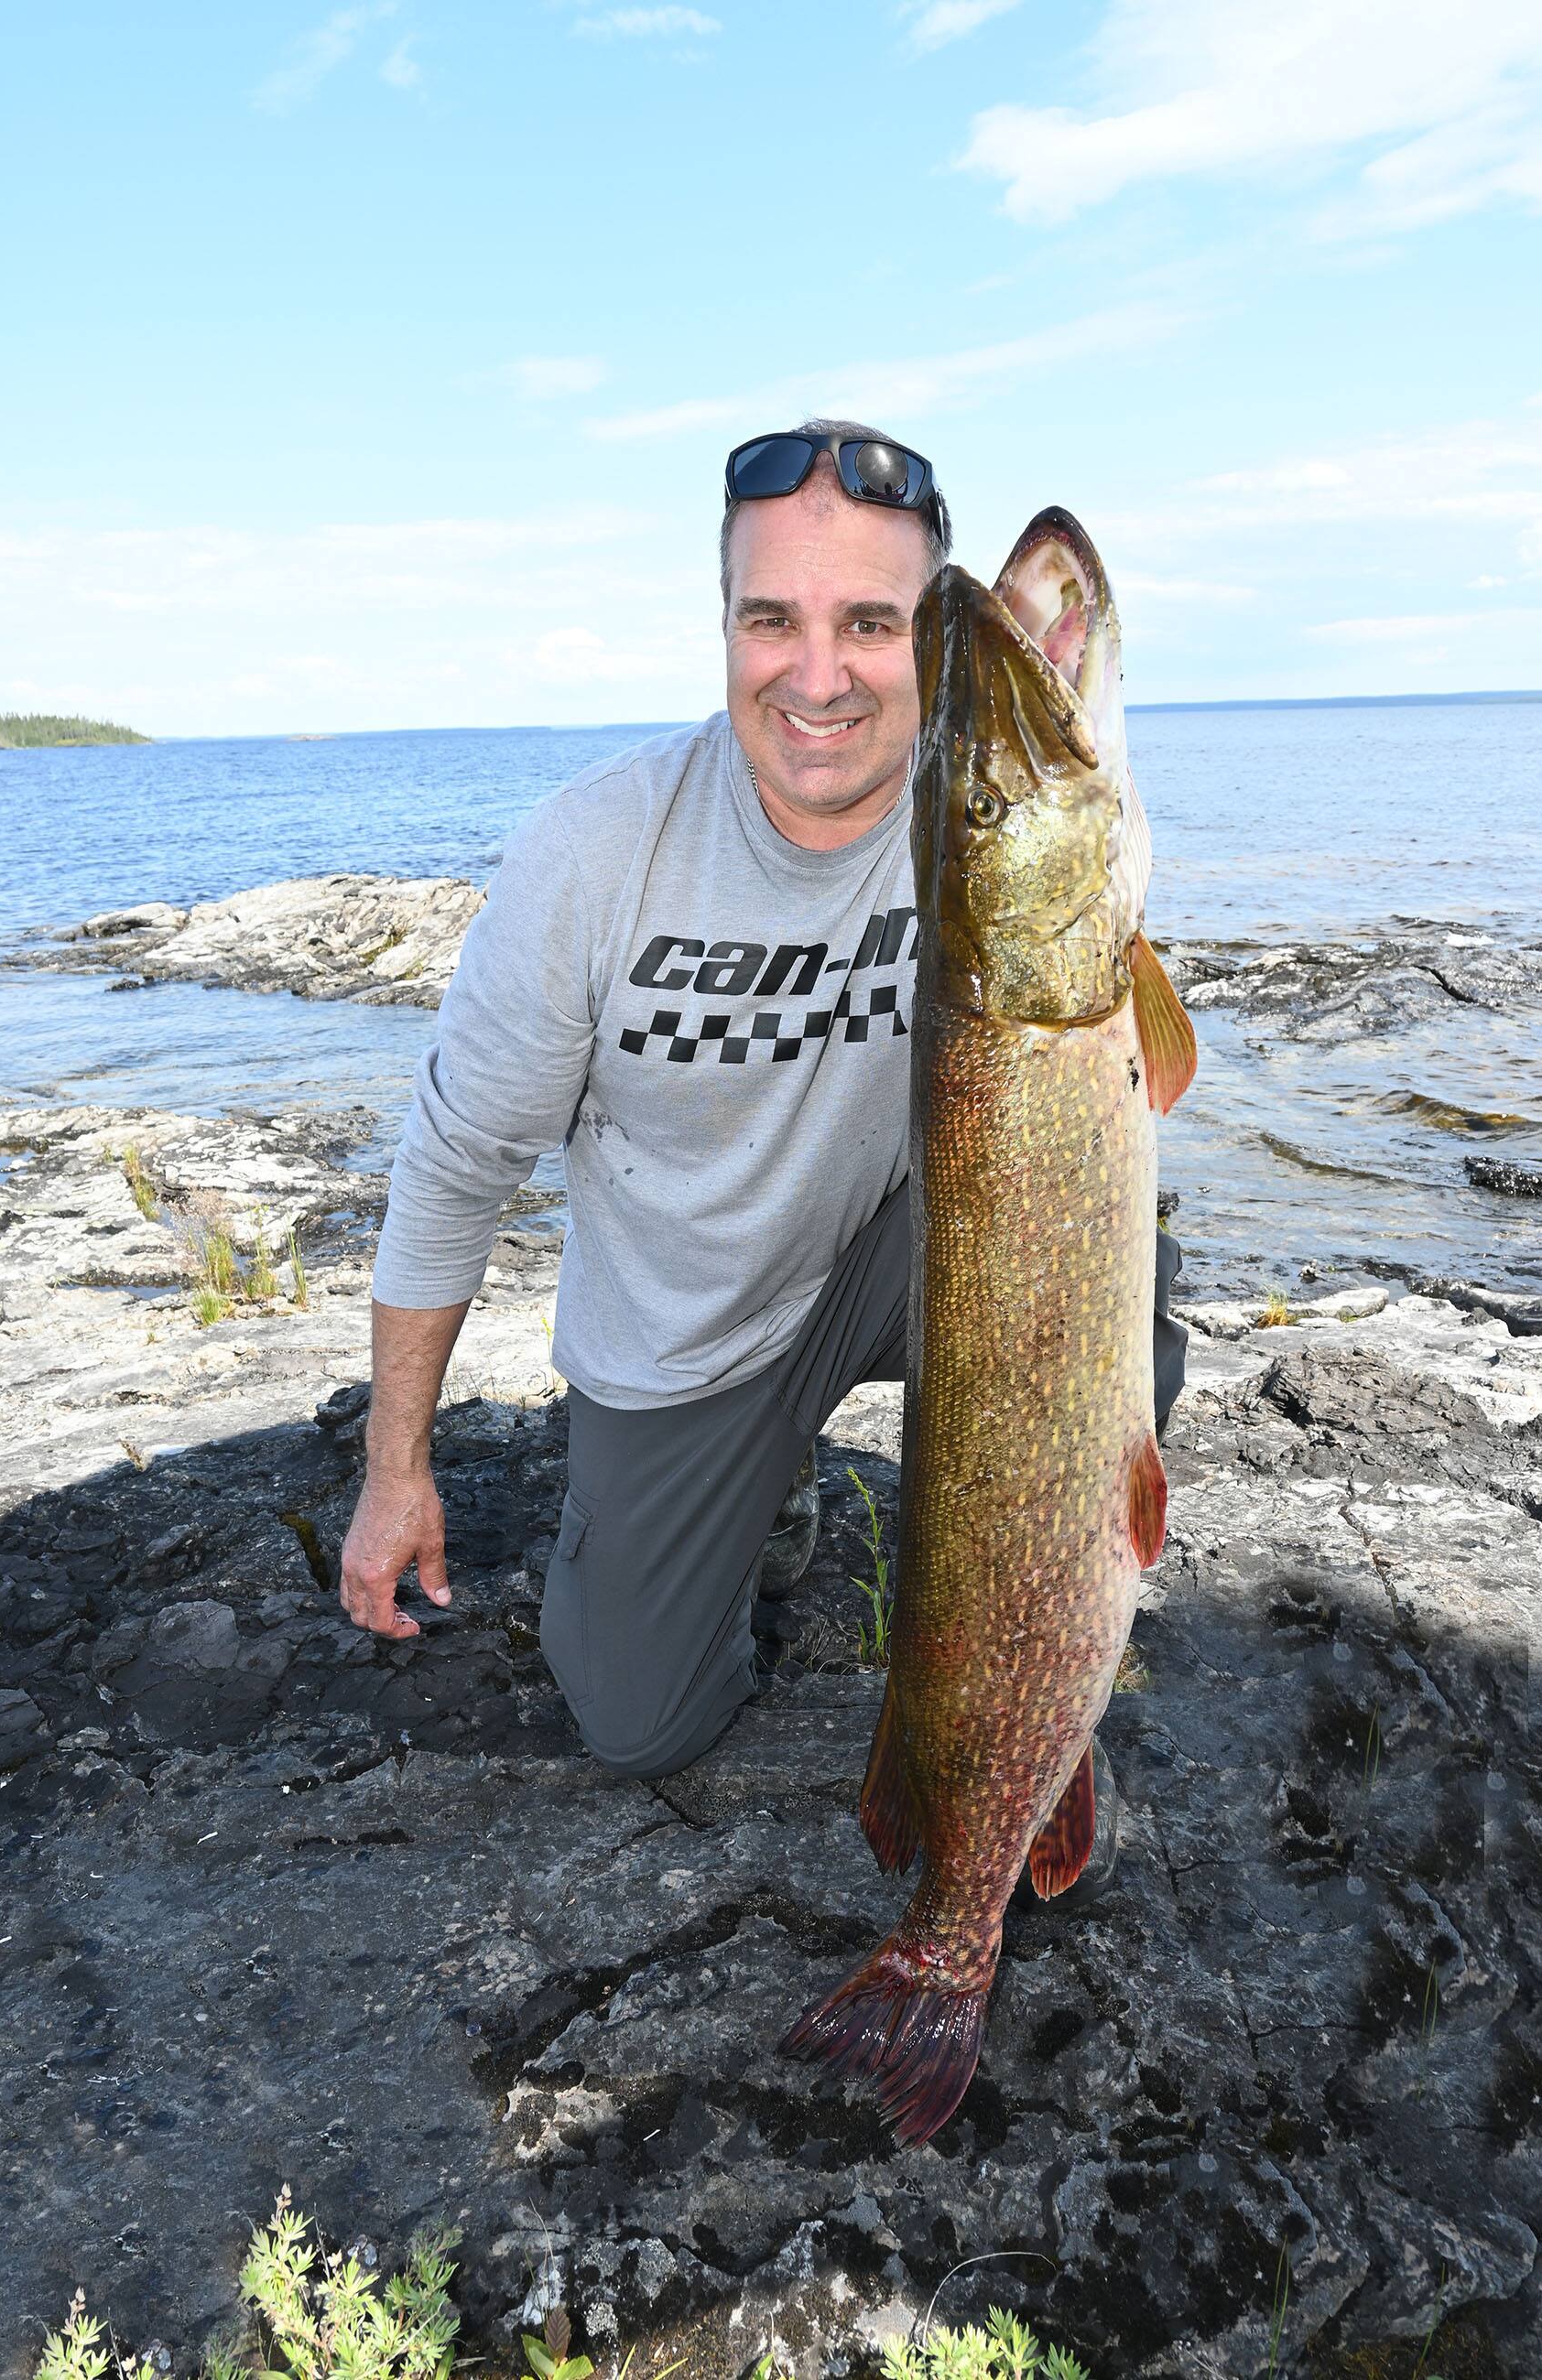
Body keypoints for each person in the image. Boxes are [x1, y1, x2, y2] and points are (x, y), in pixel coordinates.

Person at [339, 419, 1187, 1892]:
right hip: (690, 1337)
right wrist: (392, 1465)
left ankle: (1042, 1640)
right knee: (637, 1721)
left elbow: (1136, 1038)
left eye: (871, 623)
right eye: (770, 620)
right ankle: (753, 1495)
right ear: (722, 625)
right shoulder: (595, 852)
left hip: (890, 1260)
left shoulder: (975, 814)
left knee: (1123, 1275)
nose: (816, 676)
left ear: (920, 645)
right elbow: (458, 1165)